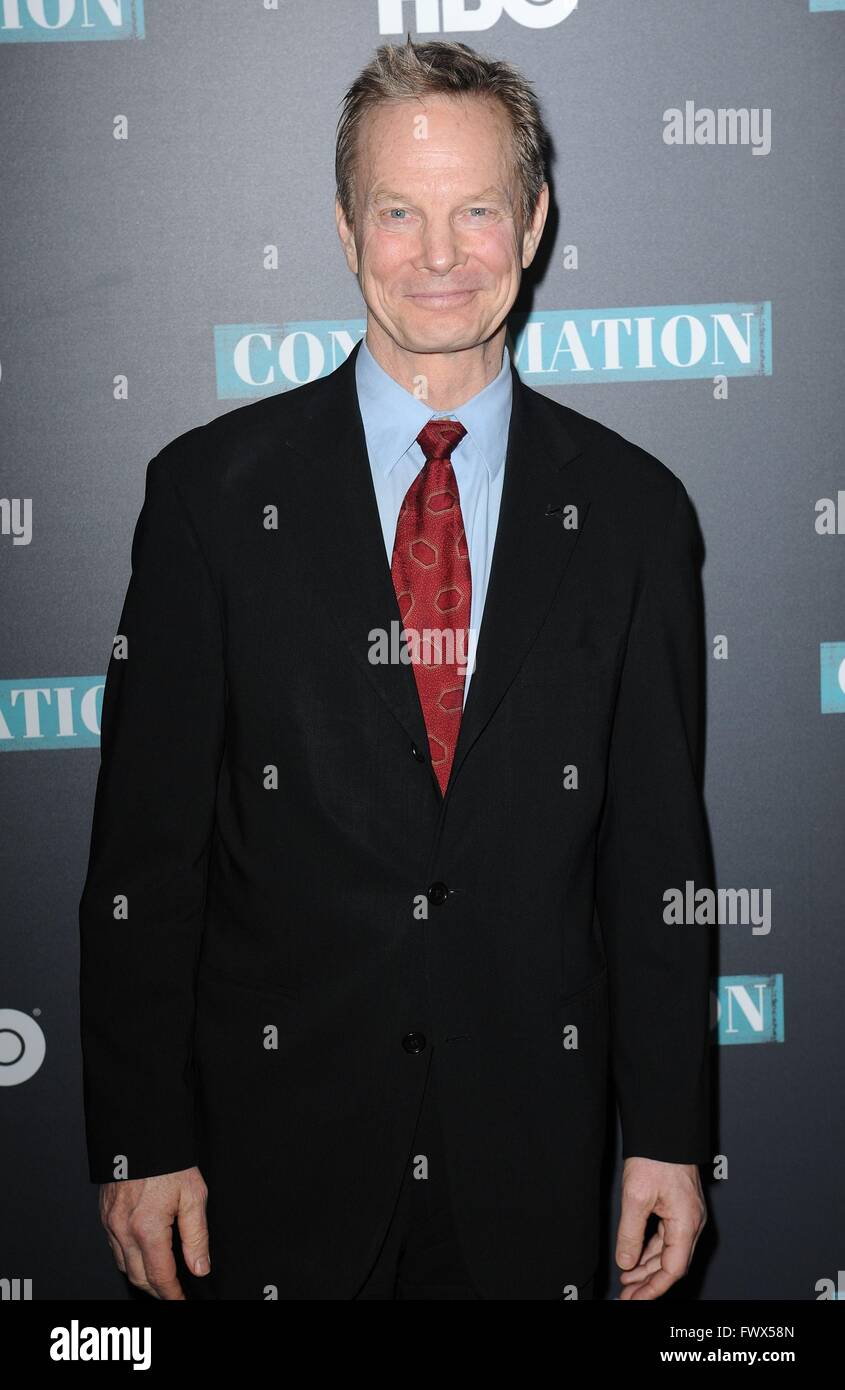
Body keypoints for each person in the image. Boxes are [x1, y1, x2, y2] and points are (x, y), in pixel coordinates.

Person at [79, 37, 712, 1301]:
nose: (437, 255)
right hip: (271, 1164)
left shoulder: (634, 514)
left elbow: (656, 860)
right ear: (341, 224)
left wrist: (669, 1131)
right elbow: (147, 856)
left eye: (475, 208)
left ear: (531, 224)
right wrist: (142, 1134)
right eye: (399, 211)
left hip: (528, 1163)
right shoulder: (210, 498)